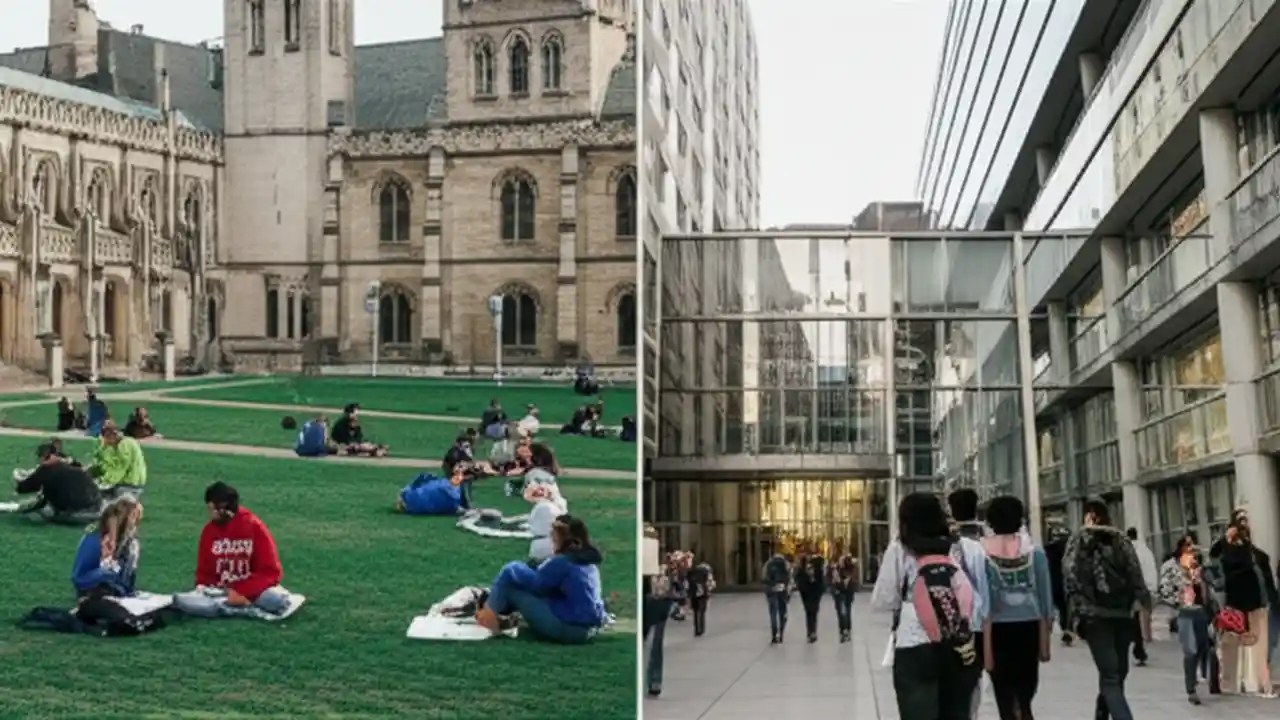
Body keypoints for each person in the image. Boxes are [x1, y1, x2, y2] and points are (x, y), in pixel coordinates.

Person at [872, 493, 986, 720]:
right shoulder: (967, 548)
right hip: (960, 644)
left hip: (913, 647)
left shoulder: (899, 550)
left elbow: (884, 599)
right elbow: (981, 601)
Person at [1063, 499, 1151, 720]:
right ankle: (1104, 711)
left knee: (1110, 675)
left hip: (1095, 616)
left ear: (1089, 515)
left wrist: (1076, 611)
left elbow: (1069, 575)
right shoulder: (1121, 539)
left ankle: (1111, 713)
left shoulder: (1079, 540)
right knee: (1119, 673)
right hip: (1122, 614)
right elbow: (1136, 574)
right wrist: (1141, 602)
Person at [474, 514, 608, 644]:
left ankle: (489, 617)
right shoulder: (588, 563)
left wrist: (515, 567)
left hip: (569, 629)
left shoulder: (562, 562)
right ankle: (501, 616)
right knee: (521, 585)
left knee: (510, 586)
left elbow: (534, 583)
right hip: (588, 630)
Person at [173, 482, 293, 618]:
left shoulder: (254, 526)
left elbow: (271, 572)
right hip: (219, 592)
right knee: (180, 601)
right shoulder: (209, 532)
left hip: (253, 590)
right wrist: (204, 589)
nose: (211, 514)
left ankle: (231, 608)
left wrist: (243, 591)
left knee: (277, 601)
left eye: (213, 509)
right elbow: (204, 573)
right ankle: (232, 608)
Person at [981, 495, 1053, 720]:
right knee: (1025, 686)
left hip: (996, 629)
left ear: (990, 521)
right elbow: (1045, 597)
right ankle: (1024, 709)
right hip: (1029, 626)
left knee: (1003, 689)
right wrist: (1046, 636)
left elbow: (983, 601)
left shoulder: (982, 553)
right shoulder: (1035, 552)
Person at [1209, 509, 1276, 696]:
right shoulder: (1226, 549)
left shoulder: (1250, 550)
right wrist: (1225, 539)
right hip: (1234, 603)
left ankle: (1257, 681)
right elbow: (1214, 557)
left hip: (1254, 602)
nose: (1243, 525)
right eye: (1240, 521)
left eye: (1245, 521)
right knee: (1231, 643)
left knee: (1257, 643)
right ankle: (1231, 682)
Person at [947, 487, 991, 720]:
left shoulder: (951, 543)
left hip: (956, 622)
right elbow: (984, 588)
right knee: (974, 674)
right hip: (978, 623)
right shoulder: (986, 540)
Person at [1158, 533, 1214, 705]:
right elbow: (1164, 589)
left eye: (1193, 544)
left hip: (1200, 611)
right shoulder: (1170, 566)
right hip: (1185, 612)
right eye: (1188, 545)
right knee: (1190, 649)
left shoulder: (1198, 565)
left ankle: (1198, 677)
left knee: (1203, 646)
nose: (1191, 548)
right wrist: (1177, 601)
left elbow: (1208, 583)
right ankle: (1191, 688)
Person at [71, 496, 143, 600]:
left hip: (93, 581)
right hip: (90, 583)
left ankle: (123, 590)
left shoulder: (109, 534)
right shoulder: (102, 538)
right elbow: (108, 567)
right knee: (116, 566)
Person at [14, 441, 102, 525]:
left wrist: (18, 478)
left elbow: (22, 489)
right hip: (96, 508)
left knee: (42, 512)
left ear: (41, 457)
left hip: (76, 514)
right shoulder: (72, 465)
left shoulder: (45, 471)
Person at [88, 421, 147, 500]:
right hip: (126, 484)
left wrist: (102, 482)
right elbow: (104, 464)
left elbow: (119, 469)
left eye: (105, 436)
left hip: (128, 485)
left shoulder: (125, 444)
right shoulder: (117, 445)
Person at [1125, 527, 1158, 667]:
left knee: (1135, 619)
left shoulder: (1131, 551)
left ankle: (1139, 647)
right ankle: (1144, 641)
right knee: (1144, 616)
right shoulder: (1146, 550)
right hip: (1147, 587)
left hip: (1136, 588)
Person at [1044, 526, 1073, 646]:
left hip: (1052, 582)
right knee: (1065, 608)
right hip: (1066, 582)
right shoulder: (1069, 550)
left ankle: (1056, 626)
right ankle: (1067, 628)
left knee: (1057, 607)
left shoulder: (1047, 551)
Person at [526, 482, 567, 563]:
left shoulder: (540, 507)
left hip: (539, 546)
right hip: (555, 545)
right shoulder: (558, 508)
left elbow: (531, 524)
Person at [796, 550, 827, 643]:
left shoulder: (817, 569)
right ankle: (811, 632)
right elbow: (800, 580)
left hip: (812, 593)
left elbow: (821, 582)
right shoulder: (802, 569)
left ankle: (811, 632)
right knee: (811, 612)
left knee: (811, 612)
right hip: (809, 593)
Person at [761, 552, 792, 644]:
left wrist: (769, 587)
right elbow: (790, 578)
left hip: (771, 589)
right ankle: (781, 634)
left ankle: (774, 634)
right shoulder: (786, 564)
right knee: (782, 612)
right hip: (782, 589)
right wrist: (788, 592)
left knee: (773, 612)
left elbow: (763, 577)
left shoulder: (768, 564)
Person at [828, 553, 858, 643]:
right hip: (839, 594)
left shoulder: (849, 570)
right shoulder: (835, 570)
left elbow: (853, 581)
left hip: (847, 593)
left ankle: (846, 630)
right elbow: (832, 581)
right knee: (841, 612)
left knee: (846, 612)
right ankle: (843, 630)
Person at [687, 556, 715, 637]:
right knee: (702, 611)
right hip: (703, 592)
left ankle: (697, 629)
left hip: (693, 592)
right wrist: (709, 591)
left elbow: (688, 582)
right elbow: (710, 581)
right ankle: (701, 628)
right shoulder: (706, 570)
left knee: (696, 611)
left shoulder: (691, 571)